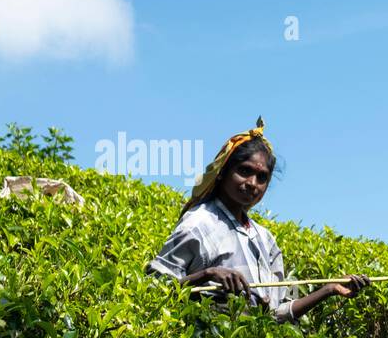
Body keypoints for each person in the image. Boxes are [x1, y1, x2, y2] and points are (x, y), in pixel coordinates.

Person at [146, 117, 369, 322]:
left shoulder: (265, 239)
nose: (252, 183)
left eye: (262, 178)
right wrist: (207, 274)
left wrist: (329, 289)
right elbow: (154, 291)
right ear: (223, 172)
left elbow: (275, 313)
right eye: (244, 171)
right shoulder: (198, 225)